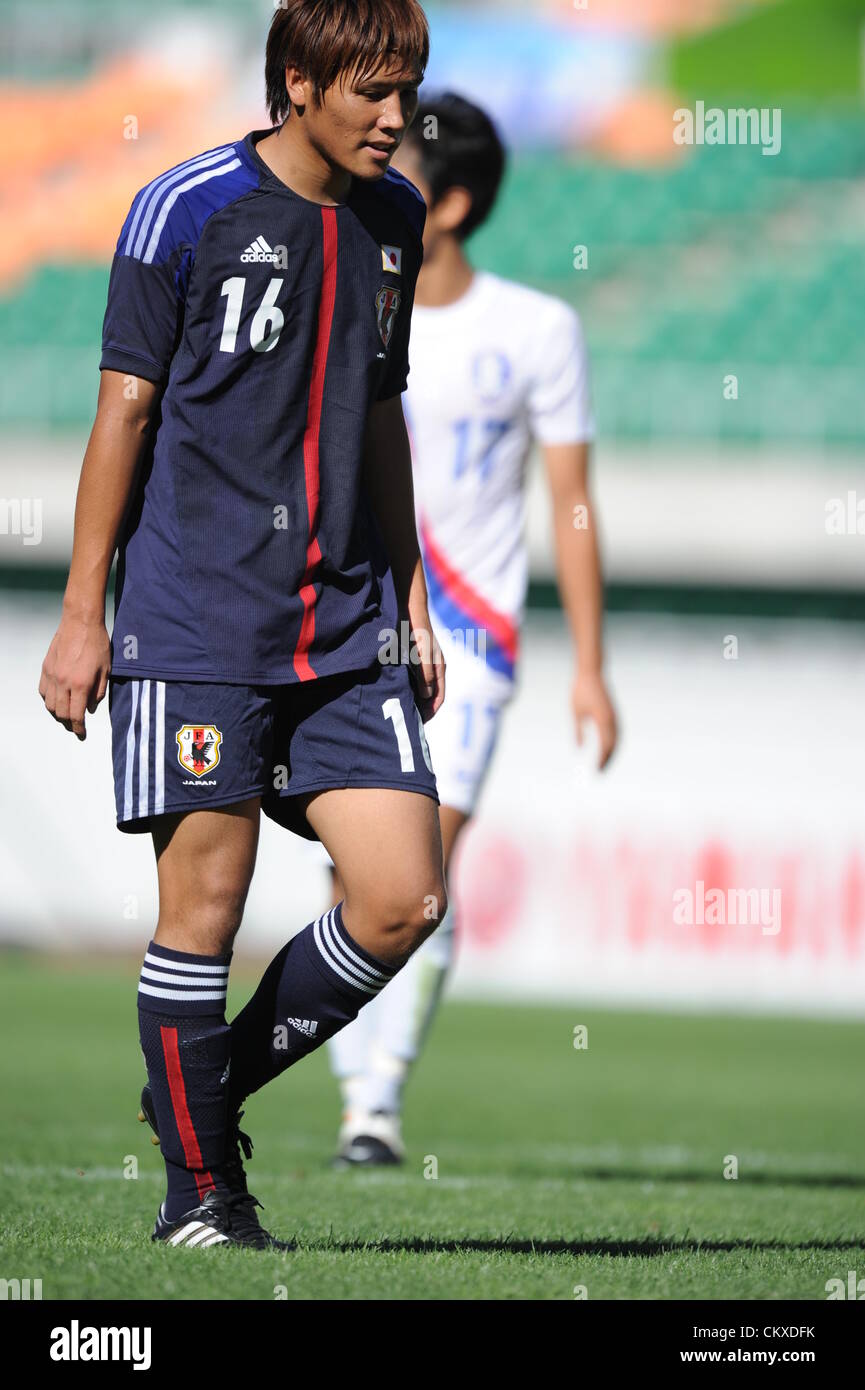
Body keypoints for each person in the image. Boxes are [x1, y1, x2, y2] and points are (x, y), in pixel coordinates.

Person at [38, 0, 445, 1250]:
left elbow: (379, 409)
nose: (395, 115)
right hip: (196, 613)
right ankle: (203, 1198)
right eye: (371, 90)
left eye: (408, 88)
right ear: (295, 83)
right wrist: (81, 612)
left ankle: (193, 1103)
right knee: (205, 913)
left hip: (345, 617)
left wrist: (414, 588)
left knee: (402, 898)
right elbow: (124, 413)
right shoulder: (183, 206)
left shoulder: (396, 221)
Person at [325, 93, 618, 1166]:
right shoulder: (353, 294)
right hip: (357, 615)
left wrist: (589, 665)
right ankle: (354, 1081)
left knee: (426, 867)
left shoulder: (537, 329)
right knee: (357, 875)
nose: (376, 169)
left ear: (445, 202)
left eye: (398, 159)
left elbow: (572, 502)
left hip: (475, 634)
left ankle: (375, 1103)